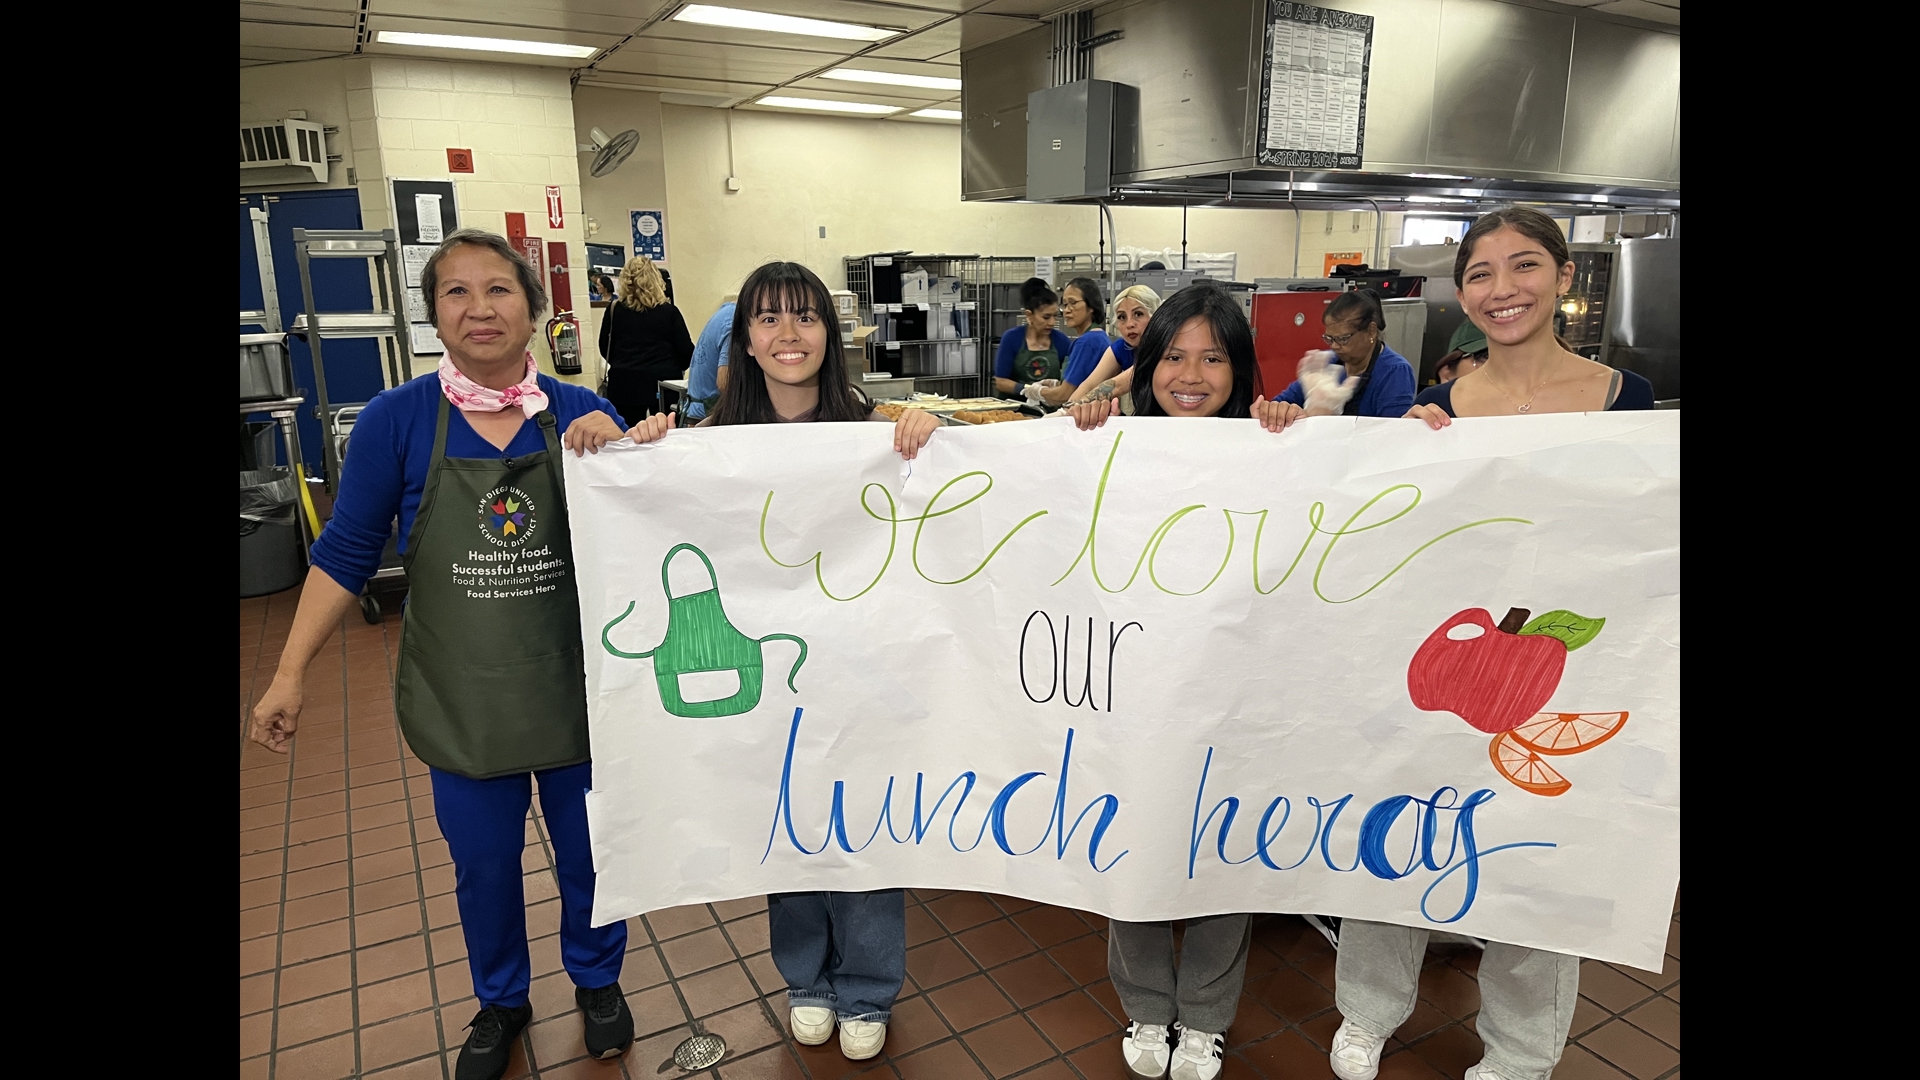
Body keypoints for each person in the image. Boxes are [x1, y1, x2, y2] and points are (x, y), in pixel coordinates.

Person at [248, 229, 641, 1080]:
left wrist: (628, 456)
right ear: (434, 319)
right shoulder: (397, 420)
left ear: (534, 312)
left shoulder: (578, 415)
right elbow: (347, 552)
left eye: (498, 290)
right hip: (464, 698)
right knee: (485, 865)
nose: (479, 309)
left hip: (575, 692)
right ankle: (501, 1000)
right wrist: (287, 673)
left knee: (593, 852)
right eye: (455, 293)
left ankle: (597, 979)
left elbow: (653, 537)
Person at [1329, 207, 1654, 1080]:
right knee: (1394, 830)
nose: (1502, 289)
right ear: (1463, 292)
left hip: (1565, 662)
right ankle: (1367, 1011)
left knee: (1540, 855)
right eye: (1481, 273)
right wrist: (1395, 464)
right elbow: (1390, 542)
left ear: (1564, 279)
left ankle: (1520, 1047)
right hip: (1449, 657)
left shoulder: (1630, 405)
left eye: (1525, 266)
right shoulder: (1434, 412)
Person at [623, 262, 939, 1063]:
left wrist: (928, 437)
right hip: (768, 683)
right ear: (745, 340)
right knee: (785, 824)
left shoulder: (876, 431)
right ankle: (806, 978)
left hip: (863, 675)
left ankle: (868, 985)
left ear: (830, 336)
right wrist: (640, 453)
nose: (788, 334)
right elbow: (648, 510)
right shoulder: (709, 445)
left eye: (805, 317)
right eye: (768, 320)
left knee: (865, 827)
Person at [1062, 284, 1301, 1080]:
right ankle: (1146, 1009)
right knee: (1131, 851)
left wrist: (1302, 438)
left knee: (1221, 858)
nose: (1191, 375)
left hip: (1232, 702)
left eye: (1213, 356)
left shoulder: (1275, 448)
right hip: (1134, 700)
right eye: (1173, 356)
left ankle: (1204, 1017)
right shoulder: (1112, 444)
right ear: (1146, 365)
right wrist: (1088, 417)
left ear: (1240, 368)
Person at [1273, 289, 1417, 417]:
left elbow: (1391, 434)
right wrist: (1276, 411)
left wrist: (1327, 418)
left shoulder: (1395, 372)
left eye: (1343, 339)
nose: (1334, 346)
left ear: (1371, 331)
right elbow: (1280, 403)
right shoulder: (1327, 363)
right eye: (1329, 339)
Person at [598, 255, 694, 426]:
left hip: (624, 385)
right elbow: (686, 351)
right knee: (666, 438)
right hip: (663, 387)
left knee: (628, 439)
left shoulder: (614, 310)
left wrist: (626, 363)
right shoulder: (669, 312)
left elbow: (604, 347)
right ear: (656, 280)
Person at [1066, 284, 1161, 408]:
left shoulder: (1164, 347)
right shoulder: (1122, 348)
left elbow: (1117, 386)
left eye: (1138, 314)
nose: (1129, 324)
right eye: (1122, 317)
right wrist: (1064, 414)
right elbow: (1088, 385)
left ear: (1156, 316)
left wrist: (1066, 412)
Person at [992, 277, 1070, 398]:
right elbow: (1000, 382)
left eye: (1055, 316)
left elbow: (1069, 379)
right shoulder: (1012, 338)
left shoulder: (1061, 341)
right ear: (1029, 314)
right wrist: (1028, 391)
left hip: (1048, 412)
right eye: (1046, 317)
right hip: (1016, 410)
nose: (1052, 322)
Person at [683, 300, 735, 423]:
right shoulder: (734, 322)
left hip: (696, 409)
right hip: (705, 415)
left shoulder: (725, 312)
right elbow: (725, 382)